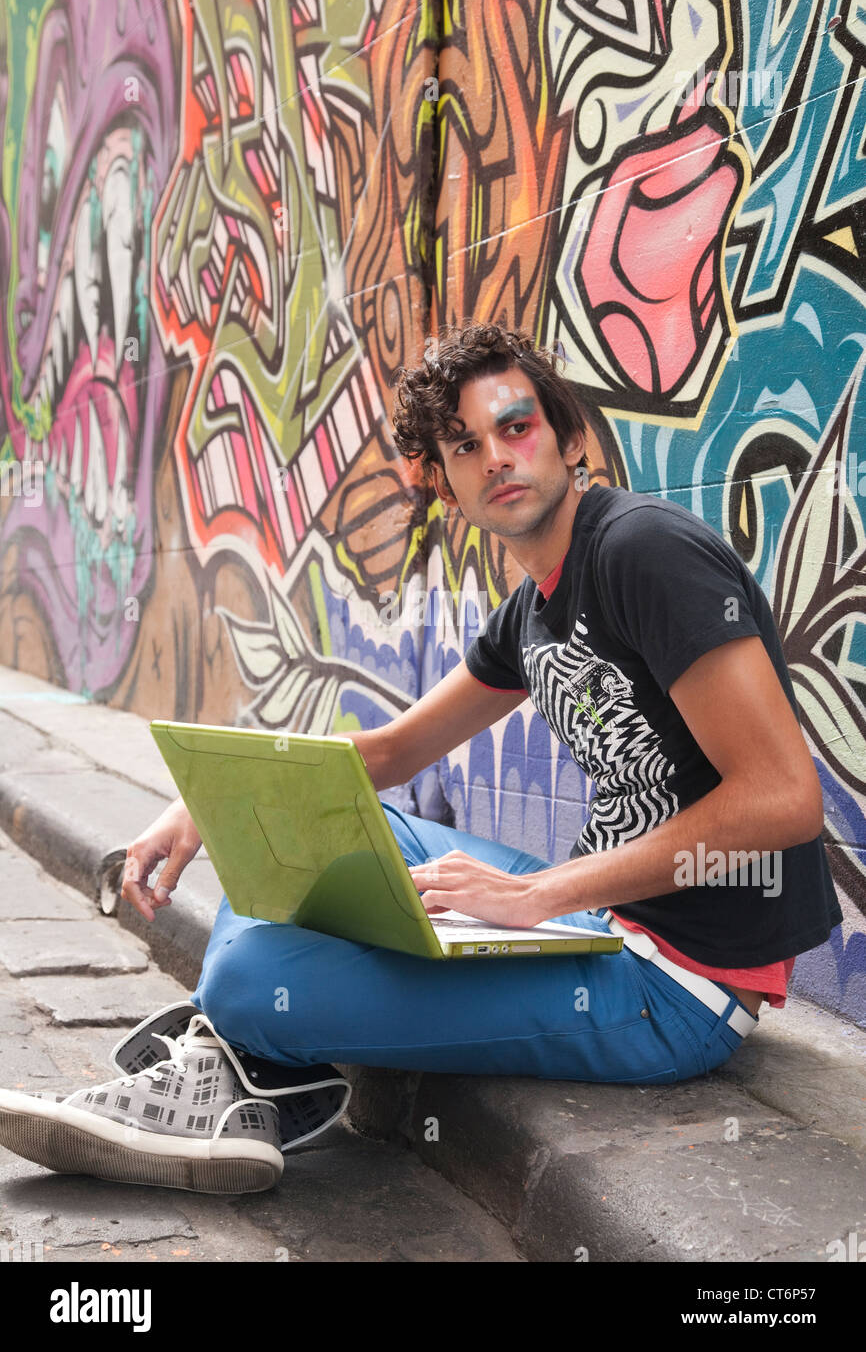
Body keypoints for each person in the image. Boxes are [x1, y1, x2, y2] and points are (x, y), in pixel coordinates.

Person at [0, 322, 841, 1195]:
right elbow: (394, 749)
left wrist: (540, 894)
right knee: (311, 836)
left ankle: (239, 1072)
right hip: (608, 921)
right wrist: (211, 805)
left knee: (247, 979)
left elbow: (784, 799)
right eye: (467, 447)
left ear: (571, 437)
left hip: (676, 988)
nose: (499, 460)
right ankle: (249, 1081)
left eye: (517, 428)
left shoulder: (641, 551)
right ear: (443, 483)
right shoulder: (536, 608)